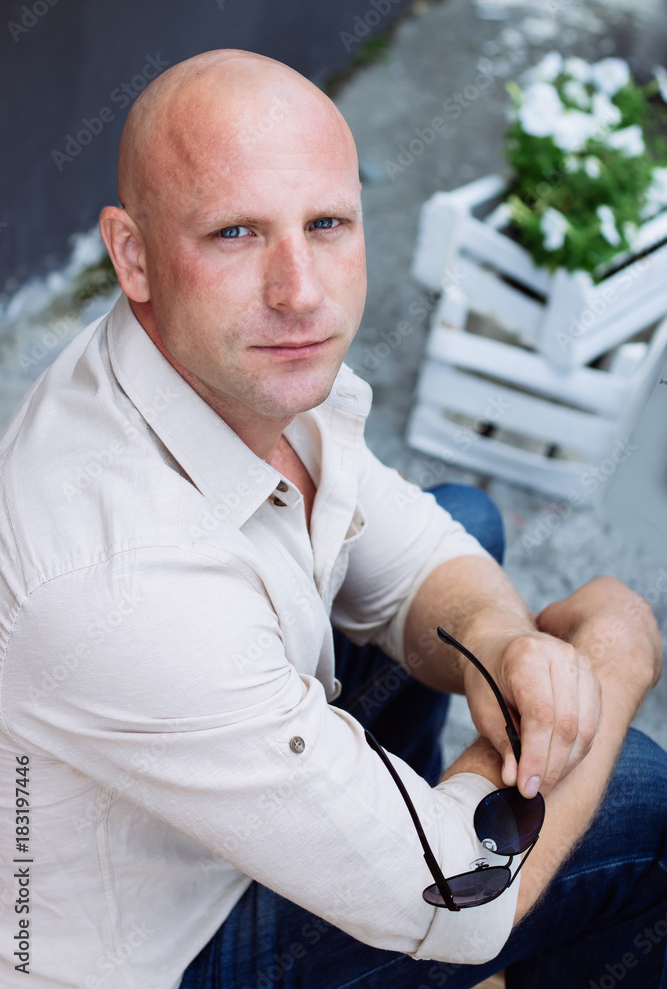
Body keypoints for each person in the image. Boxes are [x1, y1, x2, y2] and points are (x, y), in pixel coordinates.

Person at [0, 49, 664, 989]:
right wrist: (619, 644)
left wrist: (506, 647)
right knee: (635, 795)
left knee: (465, 527)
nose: (299, 290)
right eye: (234, 233)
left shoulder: (230, 359)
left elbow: (418, 547)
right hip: (154, 948)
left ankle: (369, 818)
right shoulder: (126, 582)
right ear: (132, 254)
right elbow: (463, 901)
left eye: (325, 223)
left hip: (197, 785)